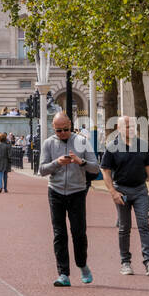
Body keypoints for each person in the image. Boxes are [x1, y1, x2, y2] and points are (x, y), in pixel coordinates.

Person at [40, 111, 99, 286]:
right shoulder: (48, 143)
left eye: (65, 129)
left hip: (77, 192)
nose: (62, 133)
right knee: (59, 233)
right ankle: (63, 274)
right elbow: (42, 170)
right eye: (58, 130)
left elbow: (95, 169)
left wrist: (80, 162)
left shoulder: (82, 141)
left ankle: (82, 265)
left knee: (78, 232)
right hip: (55, 191)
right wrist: (57, 162)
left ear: (71, 126)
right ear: (53, 128)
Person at [99, 116, 149, 277]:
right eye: (126, 126)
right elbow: (105, 171)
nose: (130, 128)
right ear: (118, 128)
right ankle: (125, 262)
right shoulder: (112, 147)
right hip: (122, 191)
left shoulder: (142, 145)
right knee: (124, 228)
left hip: (140, 190)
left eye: (132, 125)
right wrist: (113, 192)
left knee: (144, 225)